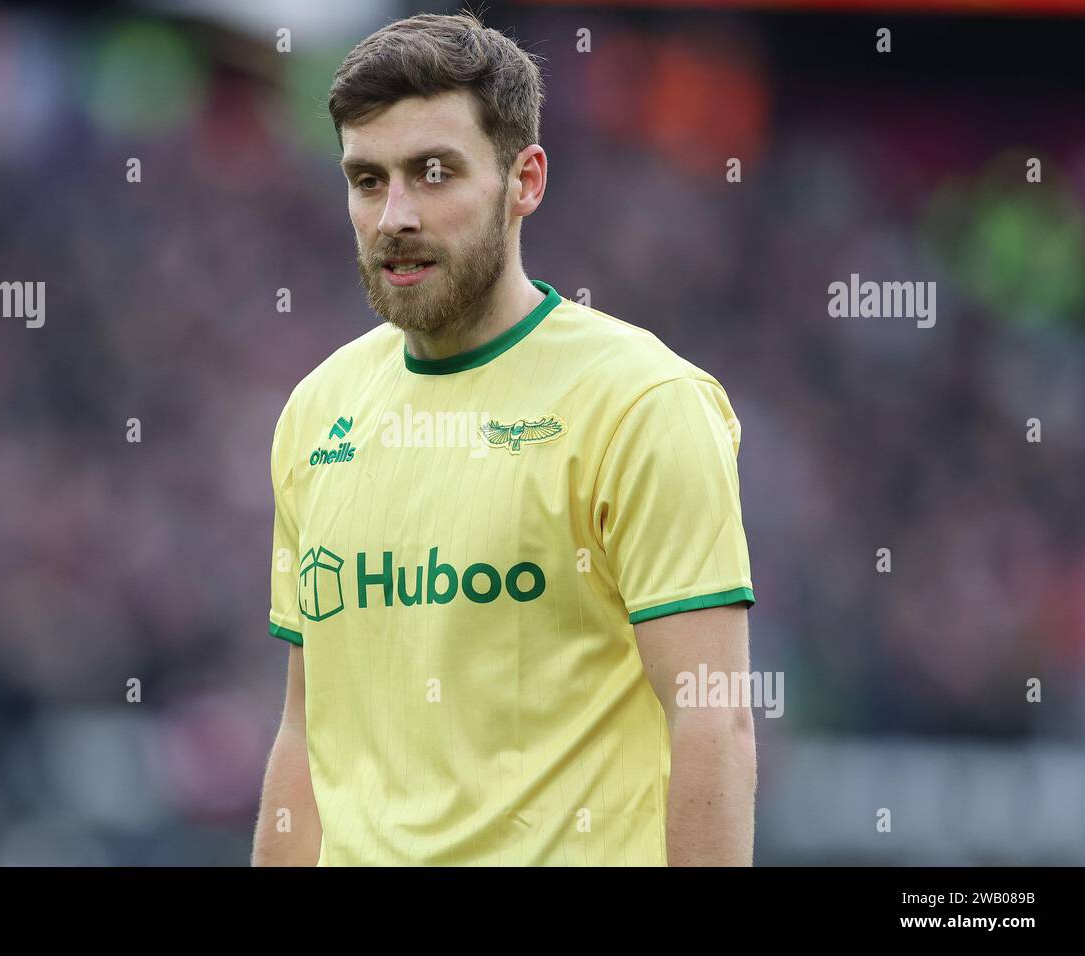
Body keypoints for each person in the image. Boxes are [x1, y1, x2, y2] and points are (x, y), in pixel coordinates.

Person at [252, 11, 756, 866]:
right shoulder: (317, 411)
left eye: (434, 172)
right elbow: (306, 730)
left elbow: (712, 718)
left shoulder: (641, 402)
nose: (394, 216)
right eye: (368, 180)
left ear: (525, 180)